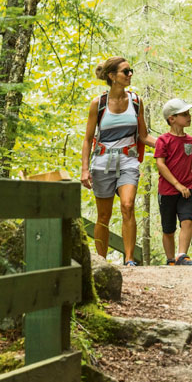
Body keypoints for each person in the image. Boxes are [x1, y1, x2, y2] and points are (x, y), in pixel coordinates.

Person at [79, 56, 156, 266]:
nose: (130, 74)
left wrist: (167, 144)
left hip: (128, 161)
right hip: (102, 162)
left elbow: (144, 136)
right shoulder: (98, 104)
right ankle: (101, 262)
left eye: (131, 71)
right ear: (112, 76)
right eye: (125, 71)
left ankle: (129, 260)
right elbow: (87, 139)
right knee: (103, 216)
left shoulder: (136, 101)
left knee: (127, 205)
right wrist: (84, 170)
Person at [153, 98, 192, 266]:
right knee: (168, 229)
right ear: (172, 118)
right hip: (167, 191)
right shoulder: (163, 140)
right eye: (184, 114)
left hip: (186, 189)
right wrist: (176, 185)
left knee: (187, 221)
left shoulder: (191, 141)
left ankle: (182, 255)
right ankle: (170, 260)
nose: (189, 117)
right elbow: (160, 164)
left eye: (189, 113)